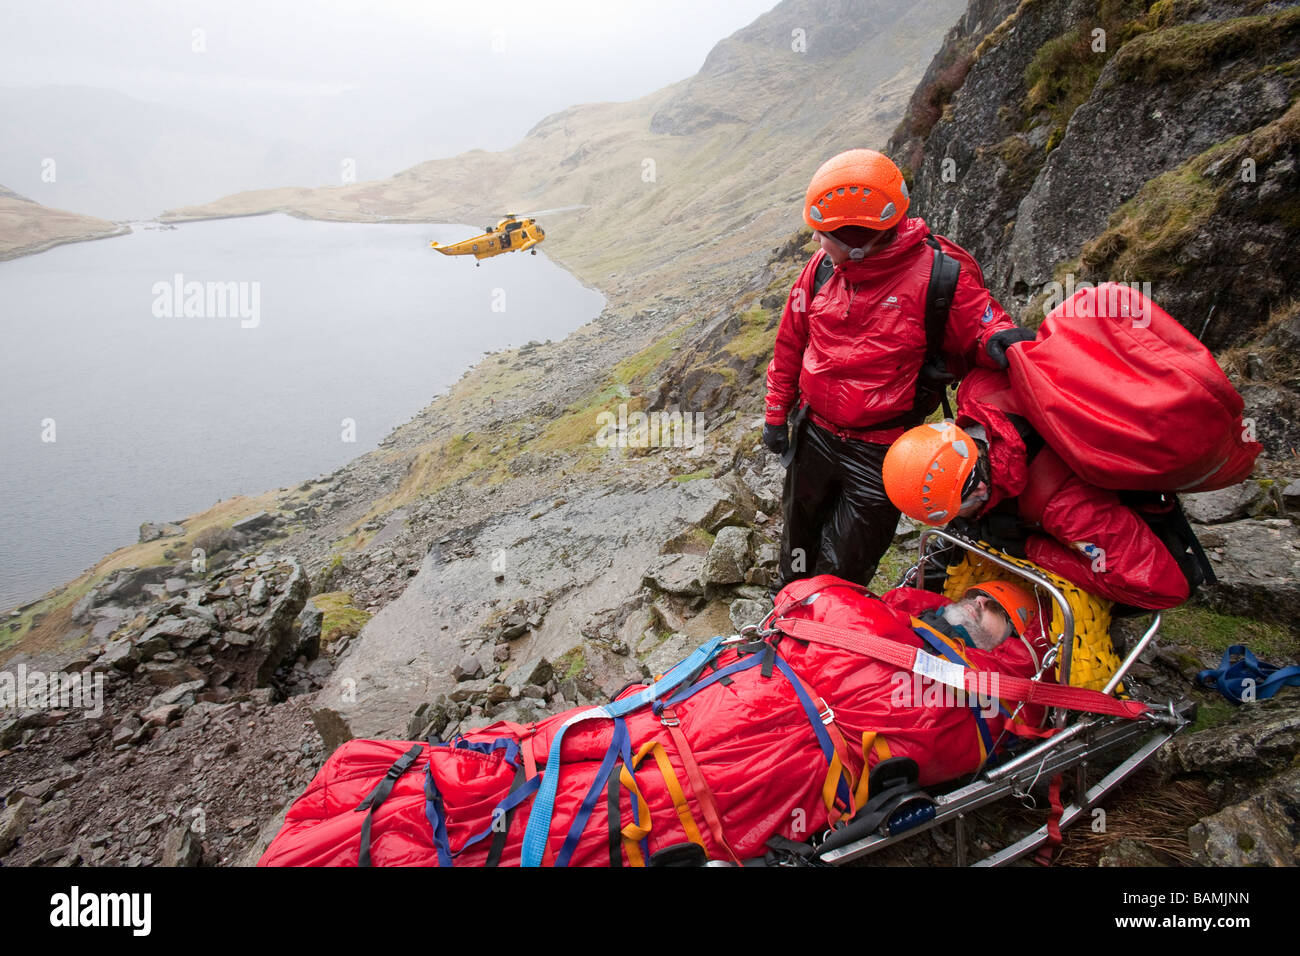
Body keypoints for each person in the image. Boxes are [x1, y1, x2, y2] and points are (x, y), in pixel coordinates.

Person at [259, 577, 1051, 867]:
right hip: (737, 709)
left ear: (1003, 638)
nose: (977, 610)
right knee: (567, 773)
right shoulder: (890, 635)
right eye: (979, 602)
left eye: (992, 614)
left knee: (585, 791)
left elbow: (805, 597)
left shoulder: (962, 693)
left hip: (762, 737)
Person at [762, 148, 1033, 595]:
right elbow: (791, 342)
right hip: (814, 434)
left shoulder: (940, 277)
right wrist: (777, 415)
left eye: (823, 233)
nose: (814, 242)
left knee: (847, 562)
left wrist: (999, 339)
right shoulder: (822, 269)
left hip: (883, 450)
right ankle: (784, 607)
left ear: (859, 241)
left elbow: (983, 324)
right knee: (798, 540)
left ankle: (825, 628)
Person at [880, 366, 1192, 609]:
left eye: (952, 510)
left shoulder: (1068, 509)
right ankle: (905, 596)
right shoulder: (979, 392)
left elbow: (1161, 587)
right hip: (1016, 489)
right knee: (968, 535)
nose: (953, 519)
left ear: (978, 491)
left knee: (994, 543)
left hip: (1113, 529)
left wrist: (1031, 551)